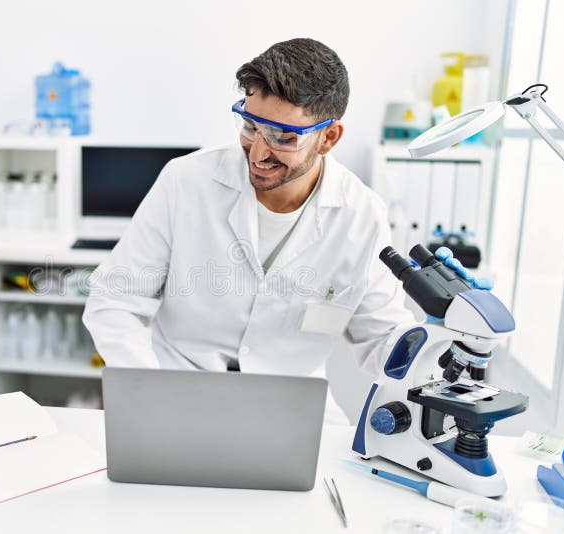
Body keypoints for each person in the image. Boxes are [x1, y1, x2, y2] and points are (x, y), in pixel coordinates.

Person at [83, 38, 415, 423]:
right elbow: (115, 299)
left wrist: (442, 348)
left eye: (283, 137)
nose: (257, 153)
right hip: (179, 390)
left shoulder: (361, 215)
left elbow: (382, 336)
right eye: (250, 126)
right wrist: (150, 390)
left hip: (292, 407)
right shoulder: (186, 182)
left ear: (329, 137)